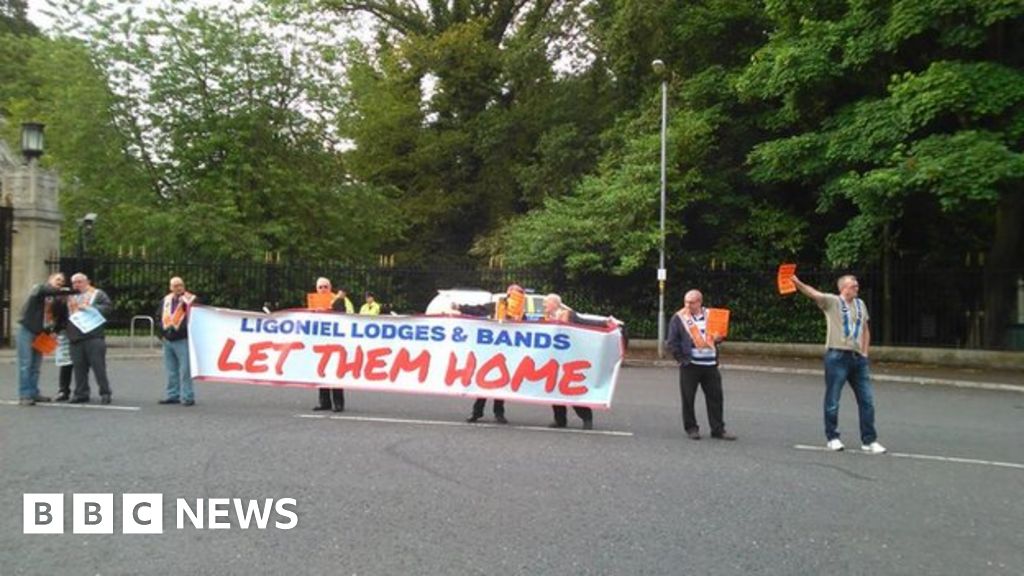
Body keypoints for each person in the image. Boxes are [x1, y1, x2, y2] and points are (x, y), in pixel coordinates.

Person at [792, 274, 886, 454]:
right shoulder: (833, 302)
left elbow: (865, 330)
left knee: (867, 401)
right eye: (853, 286)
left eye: (857, 285)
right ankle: (832, 437)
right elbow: (814, 293)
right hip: (837, 356)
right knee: (833, 400)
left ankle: (869, 440)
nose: (857, 288)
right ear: (843, 288)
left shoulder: (860, 304)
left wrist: (865, 352)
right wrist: (798, 283)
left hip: (858, 359)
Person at [666, 289, 737, 441]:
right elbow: (672, 341)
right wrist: (681, 359)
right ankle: (691, 428)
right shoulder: (679, 317)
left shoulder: (712, 315)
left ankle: (718, 429)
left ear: (699, 302)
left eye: (691, 302)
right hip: (690, 365)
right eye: (686, 302)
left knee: (716, 398)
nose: (687, 305)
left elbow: (720, 335)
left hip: (710, 365)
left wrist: (719, 338)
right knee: (688, 399)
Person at [458, 284, 527, 424]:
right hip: (491, 351)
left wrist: (460, 307)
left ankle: (495, 412)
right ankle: (479, 411)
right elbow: (478, 310)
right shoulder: (498, 306)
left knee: (499, 382)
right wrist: (461, 307)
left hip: (505, 352)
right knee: (484, 381)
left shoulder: (519, 313)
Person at [16, 272, 73, 406]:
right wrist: (62, 291)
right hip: (28, 330)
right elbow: (44, 289)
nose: (60, 282)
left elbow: (59, 318)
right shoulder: (39, 289)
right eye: (58, 279)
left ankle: (34, 392)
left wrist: (54, 332)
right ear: (50, 280)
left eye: (62, 281)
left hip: (42, 333)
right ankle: (24, 395)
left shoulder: (57, 299)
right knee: (25, 364)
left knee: (36, 366)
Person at [542, 293, 595, 430]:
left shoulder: (568, 314)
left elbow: (584, 324)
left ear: (555, 303)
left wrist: (606, 324)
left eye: (546, 302)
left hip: (569, 360)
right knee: (555, 390)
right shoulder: (547, 317)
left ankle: (586, 417)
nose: (544, 305)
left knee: (570, 390)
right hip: (554, 360)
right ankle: (560, 420)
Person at [66, 273, 114, 404]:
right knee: (79, 368)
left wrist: (90, 308)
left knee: (99, 367)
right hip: (76, 337)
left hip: (94, 336)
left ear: (87, 282)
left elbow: (108, 308)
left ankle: (105, 392)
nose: (76, 285)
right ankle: (81, 393)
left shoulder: (97, 294)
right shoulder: (70, 297)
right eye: (74, 282)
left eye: (79, 282)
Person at [158, 277, 198, 406]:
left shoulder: (190, 300)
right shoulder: (166, 300)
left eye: (180, 285)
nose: (179, 288)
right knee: (171, 370)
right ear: (170, 288)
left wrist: (186, 304)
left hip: (183, 339)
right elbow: (158, 316)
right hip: (167, 339)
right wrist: (161, 334)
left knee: (185, 370)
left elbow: (195, 316)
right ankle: (173, 395)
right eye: (175, 286)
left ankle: (188, 396)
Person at [312, 277, 345, 412]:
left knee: (335, 371)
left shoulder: (338, 300)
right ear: (316, 289)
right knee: (321, 371)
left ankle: (338, 403)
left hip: (335, 341)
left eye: (325, 286)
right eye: (320, 287)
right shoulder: (313, 301)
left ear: (330, 287)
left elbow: (343, 316)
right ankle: (324, 402)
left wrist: (332, 305)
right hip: (320, 342)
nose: (323, 289)